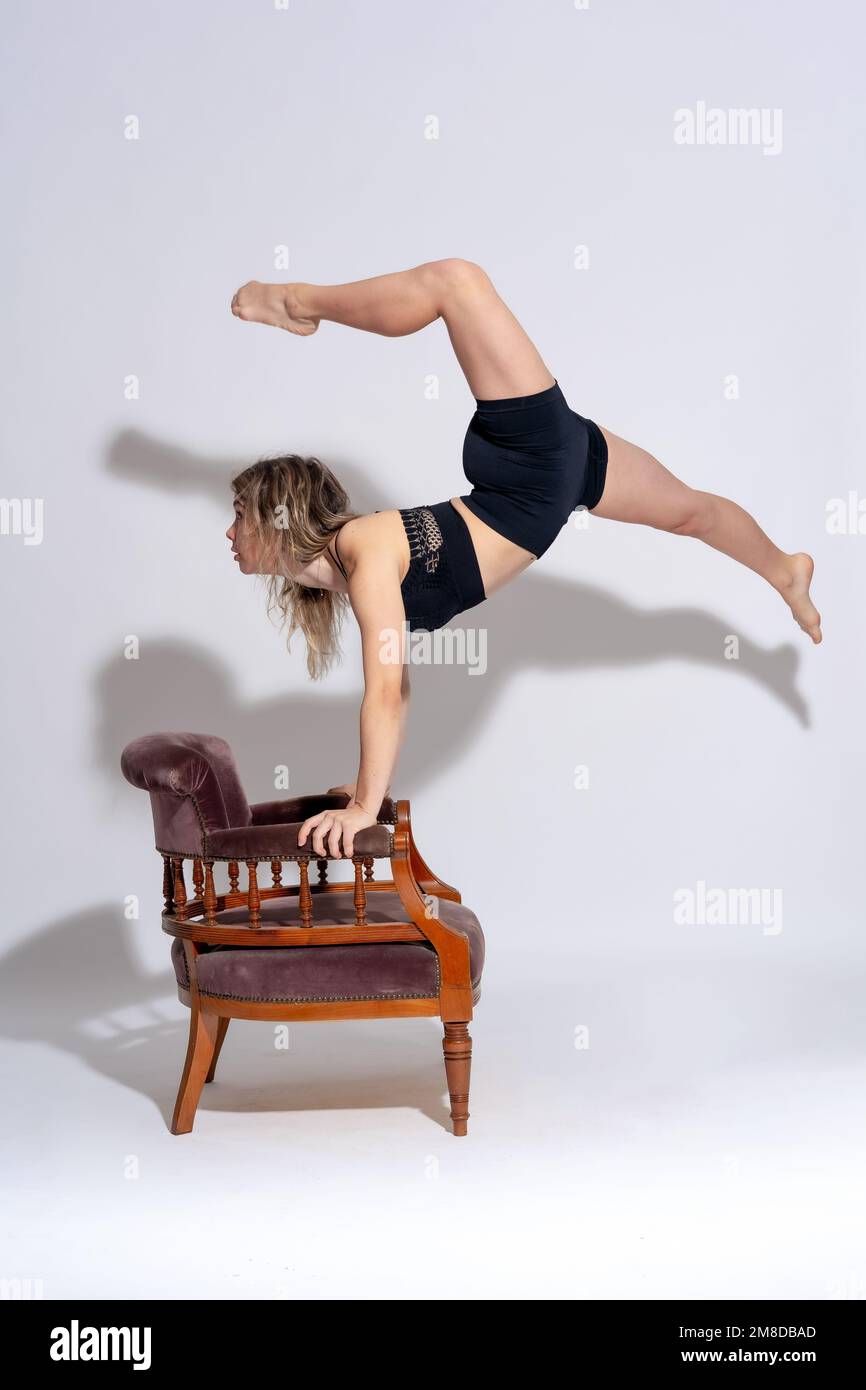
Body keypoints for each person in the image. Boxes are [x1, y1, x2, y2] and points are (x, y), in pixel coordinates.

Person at [226, 258, 821, 859]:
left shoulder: (364, 548)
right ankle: (785, 568)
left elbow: (382, 692)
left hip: (534, 460)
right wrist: (369, 790)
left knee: (456, 281)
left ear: (279, 519)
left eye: (240, 515)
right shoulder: (348, 574)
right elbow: (397, 687)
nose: (229, 531)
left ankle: (299, 303)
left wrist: (359, 808)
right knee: (693, 514)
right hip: (554, 475)